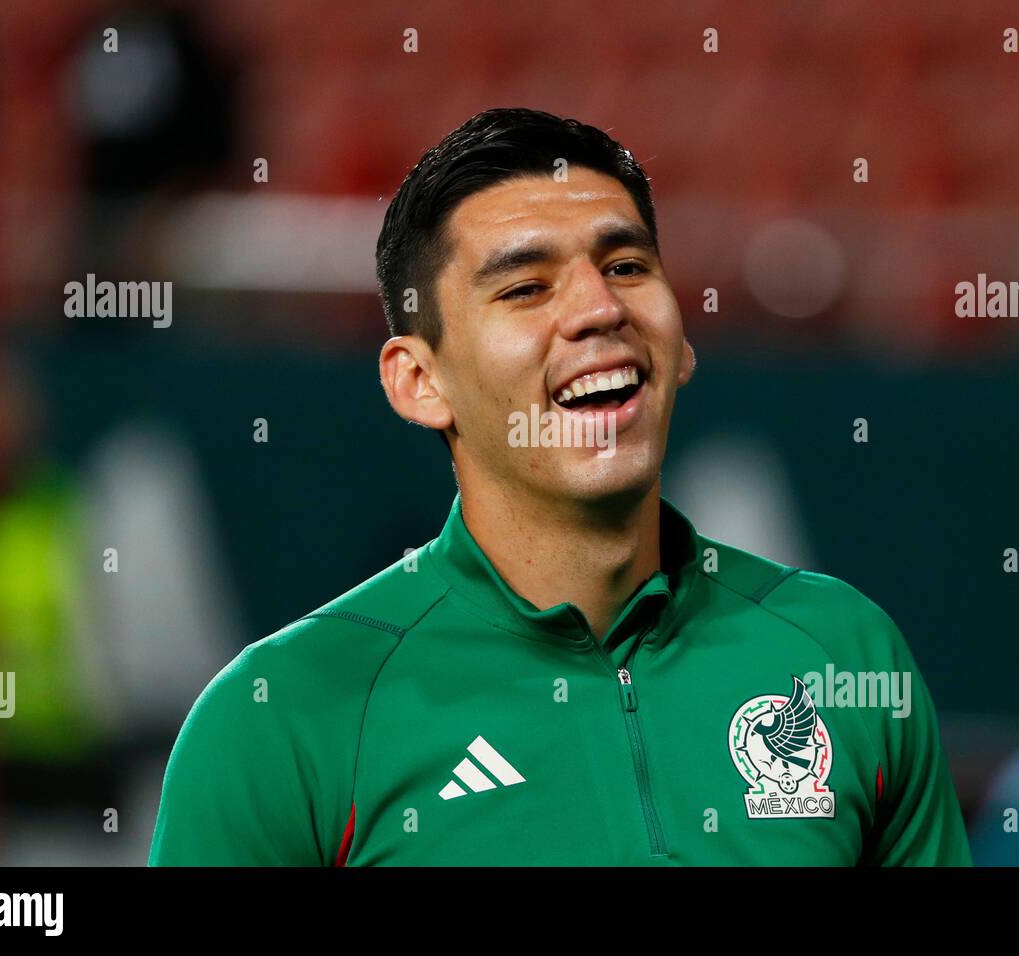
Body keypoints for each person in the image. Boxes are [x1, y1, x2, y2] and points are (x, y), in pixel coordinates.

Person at [149, 108, 971, 866]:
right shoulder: (282, 719)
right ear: (418, 383)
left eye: (625, 265)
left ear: (681, 345)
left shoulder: (844, 654)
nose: (598, 307)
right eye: (525, 287)